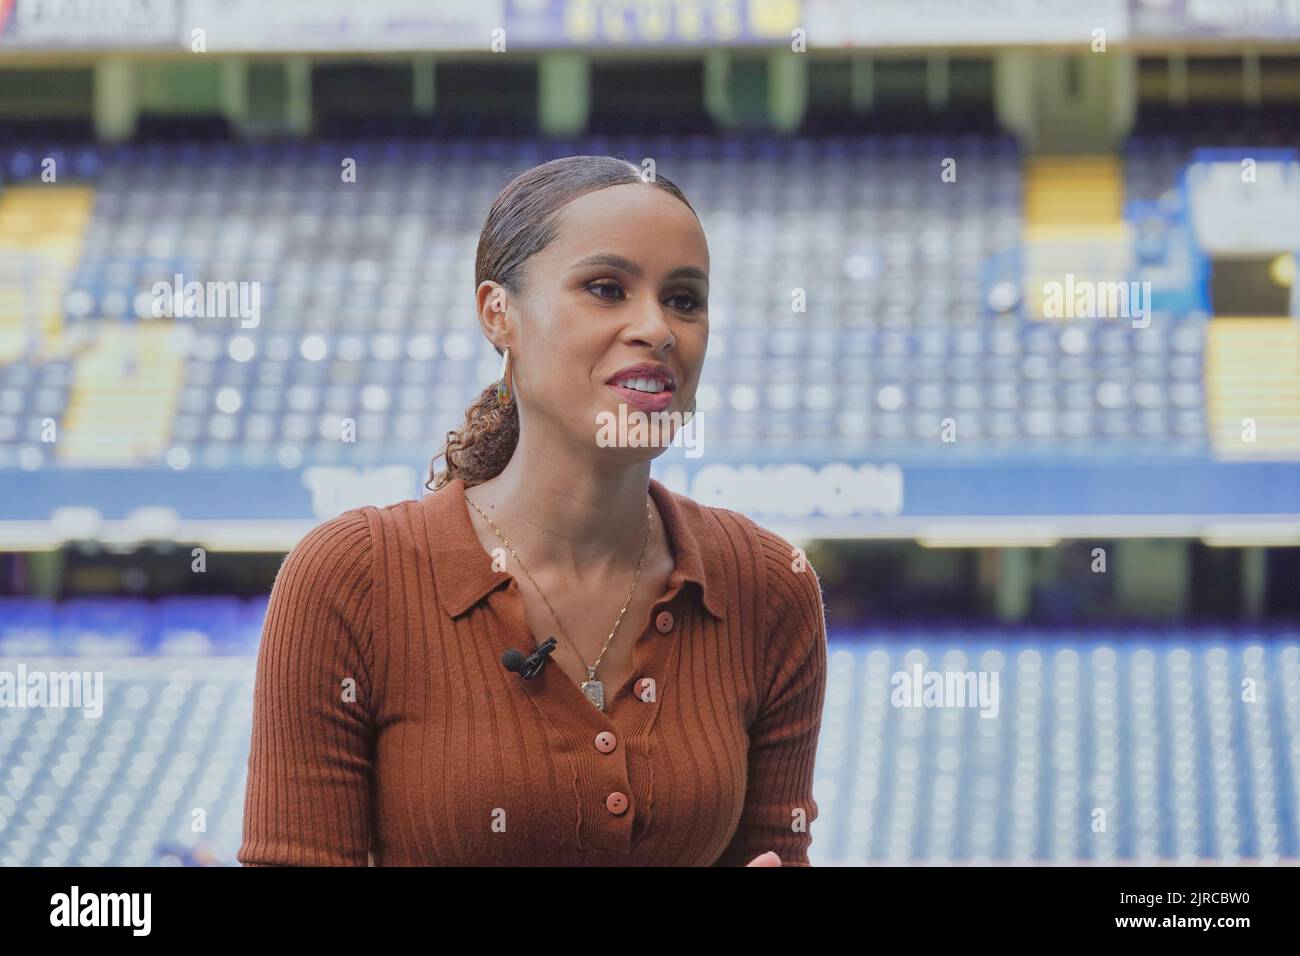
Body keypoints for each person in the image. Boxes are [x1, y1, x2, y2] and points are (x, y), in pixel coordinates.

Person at [238, 155, 828, 866]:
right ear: (499, 313)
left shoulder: (770, 586)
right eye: (606, 289)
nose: (658, 328)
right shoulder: (349, 578)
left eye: (684, 300)